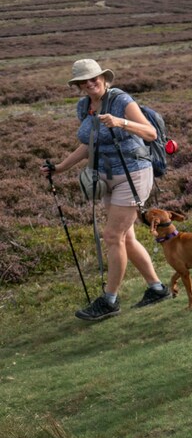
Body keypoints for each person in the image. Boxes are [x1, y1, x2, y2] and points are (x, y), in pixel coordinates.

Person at [42, 59, 170, 321]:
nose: (90, 83)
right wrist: (59, 168)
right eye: (84, 81)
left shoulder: (121, 100)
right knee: (126, 237)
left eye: (94, 78)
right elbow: (89, 145)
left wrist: (120, 122)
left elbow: (149, 133)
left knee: (113, 236)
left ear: (103, 77)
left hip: (133, 173)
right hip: (105, 176)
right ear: (78, 85)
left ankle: (109, 300)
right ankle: (157, 288)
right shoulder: (84, 107)